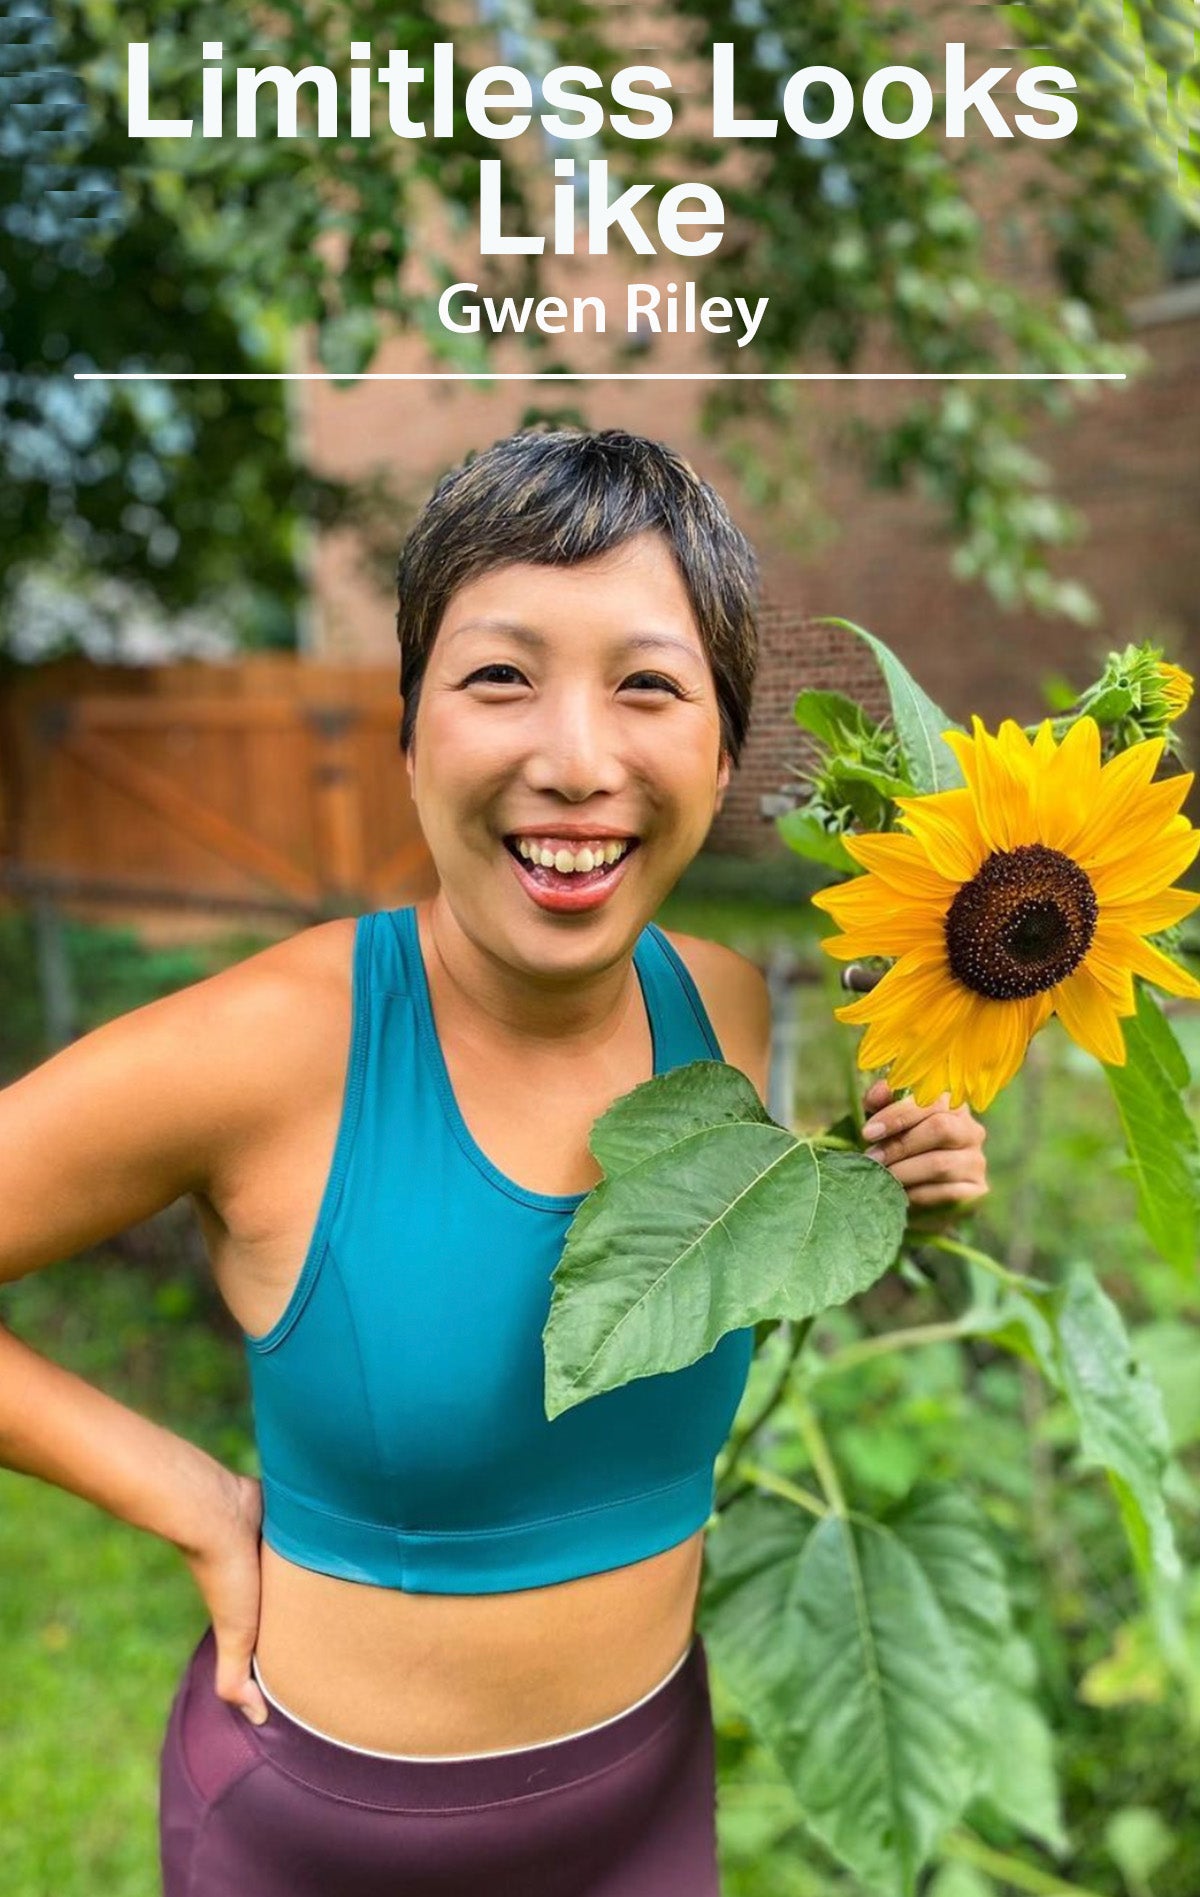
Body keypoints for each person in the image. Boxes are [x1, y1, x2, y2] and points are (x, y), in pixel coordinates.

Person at [0, 428, 988, 1895]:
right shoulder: (277, 1044)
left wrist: (900, 1167)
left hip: (647, 1798)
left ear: (721, 755)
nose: (575, 760)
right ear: (410, 738)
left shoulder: (720, 1006)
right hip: (319, 1833)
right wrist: (187, 1494)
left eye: (647, 685)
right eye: (499, 677)